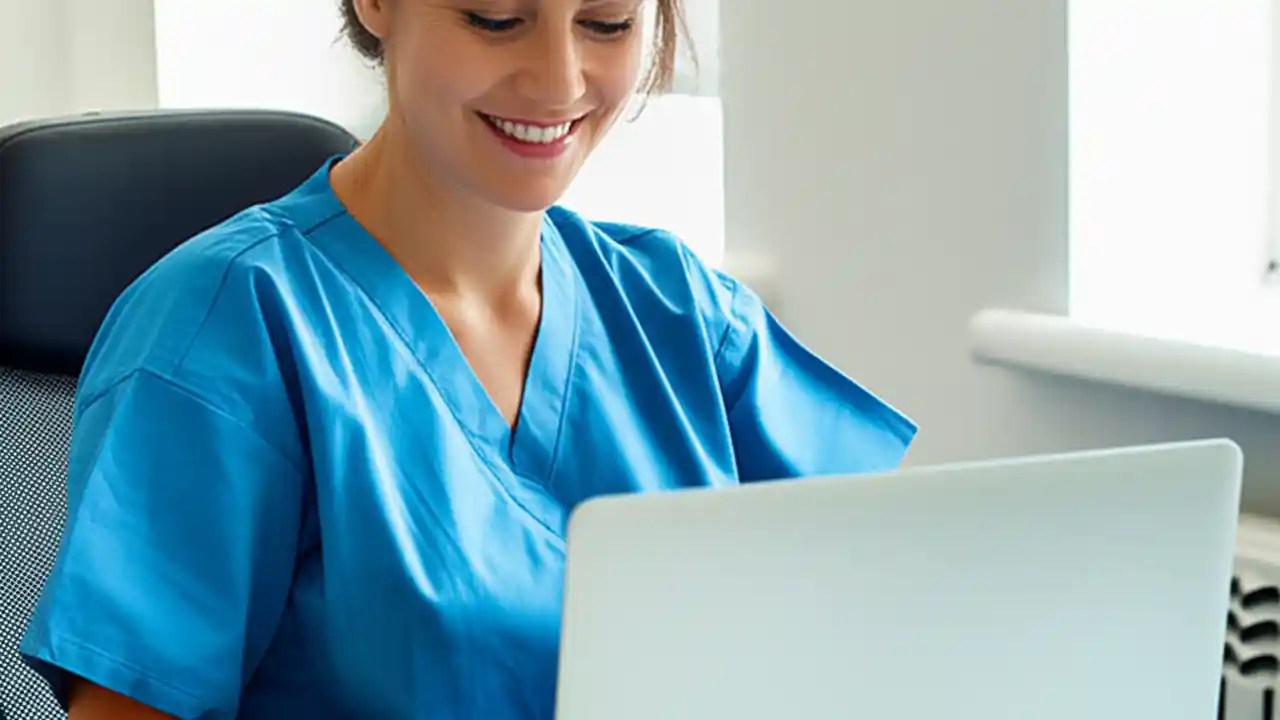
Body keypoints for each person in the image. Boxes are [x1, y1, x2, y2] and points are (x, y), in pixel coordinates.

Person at [19, 0, 917, 718]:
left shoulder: (681, 312)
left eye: (607, 24)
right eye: (496, 19)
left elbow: (899, 609)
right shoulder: (224, 330)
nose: (558, 80)